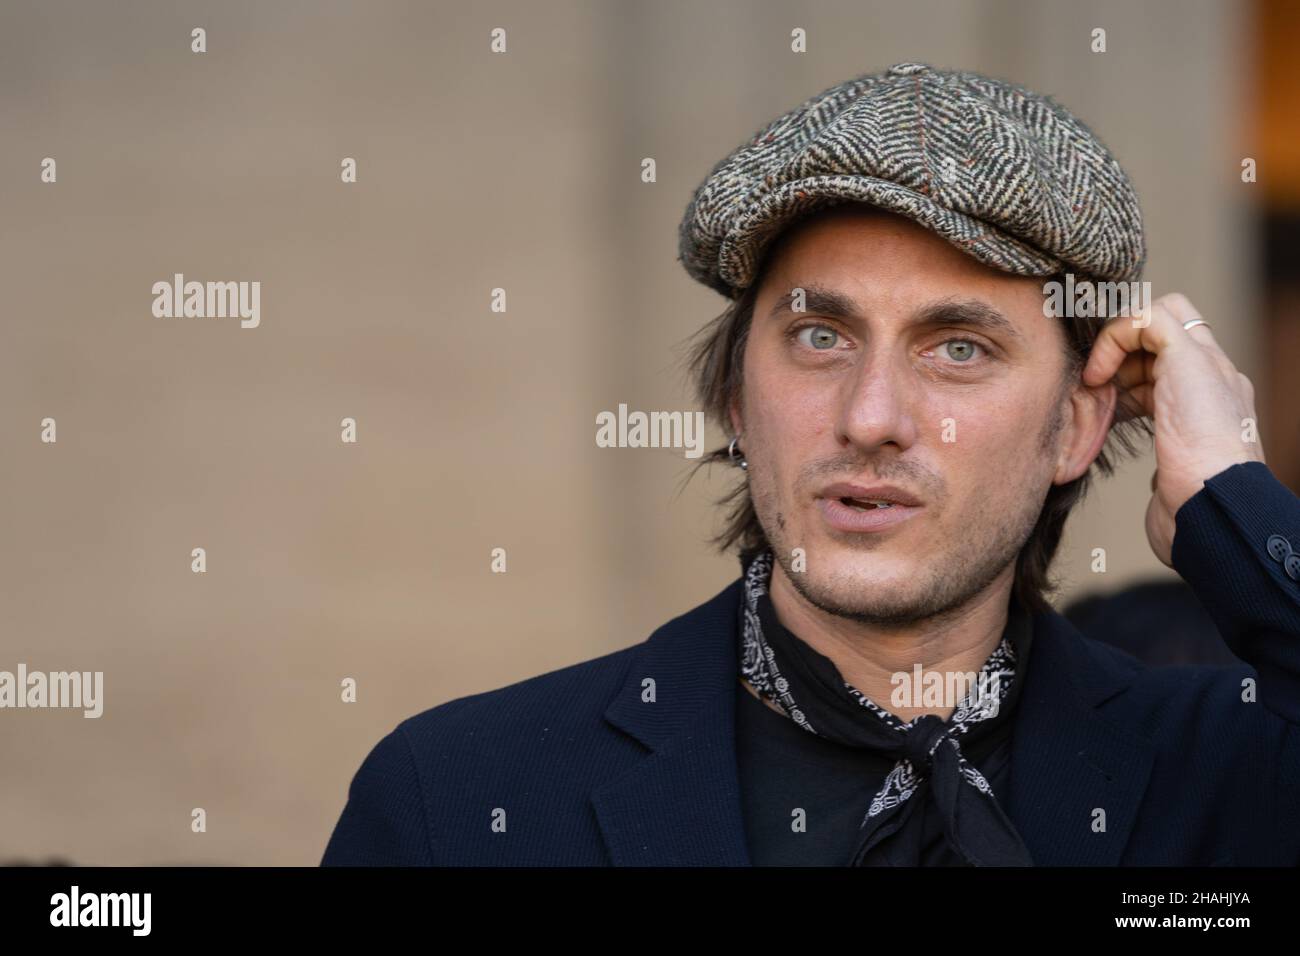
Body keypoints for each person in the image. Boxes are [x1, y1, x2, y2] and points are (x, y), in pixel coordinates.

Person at [322, 63, 1300, 866]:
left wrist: (1234, 501)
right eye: (821, 335)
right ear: (738, 398)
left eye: (957, 346)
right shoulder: (460, 797)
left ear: (1074, 426)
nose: (870, 417)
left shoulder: (1231, 776)